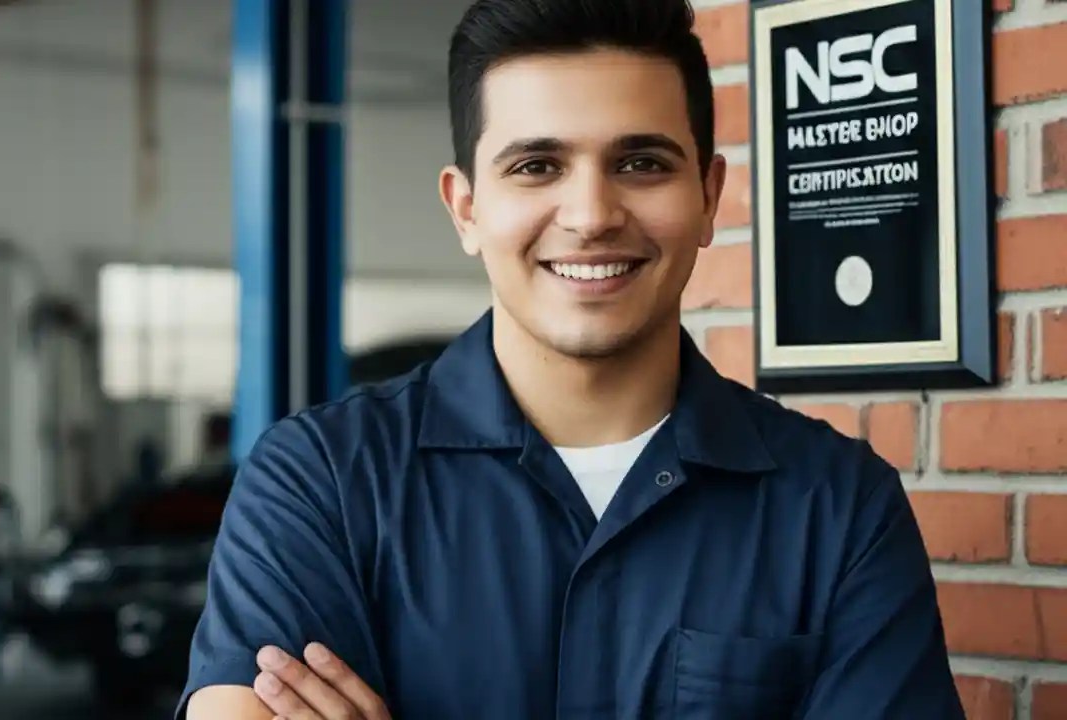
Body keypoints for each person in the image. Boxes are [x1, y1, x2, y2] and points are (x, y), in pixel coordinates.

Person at [179, 0, 965, 717]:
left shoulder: (838, 509)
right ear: (466, 207)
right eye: (536, 166)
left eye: (642, 163)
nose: (592, 215)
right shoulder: (320, 483)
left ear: (708, 197)